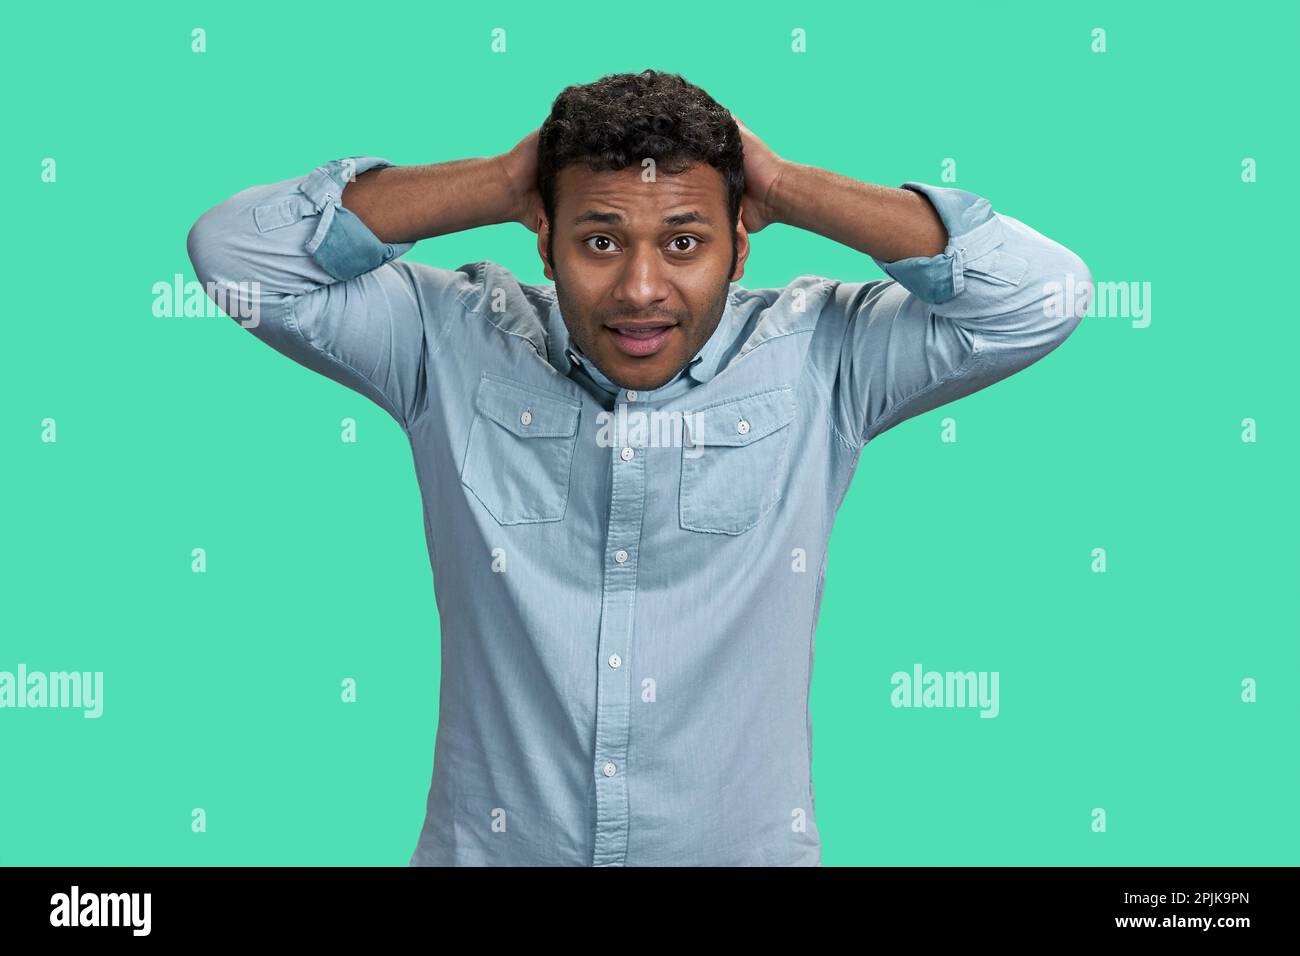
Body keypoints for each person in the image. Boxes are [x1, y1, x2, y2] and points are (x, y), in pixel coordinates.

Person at [186, 69, 1090, 866]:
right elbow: (234, 254)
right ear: (542, 239)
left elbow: (1042, 295)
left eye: (686, 242)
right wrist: (504, 180)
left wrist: (783, 184)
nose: (642, 289)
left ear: (743, 243)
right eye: (601, 240)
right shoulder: (445, 340)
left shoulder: (825, 357)